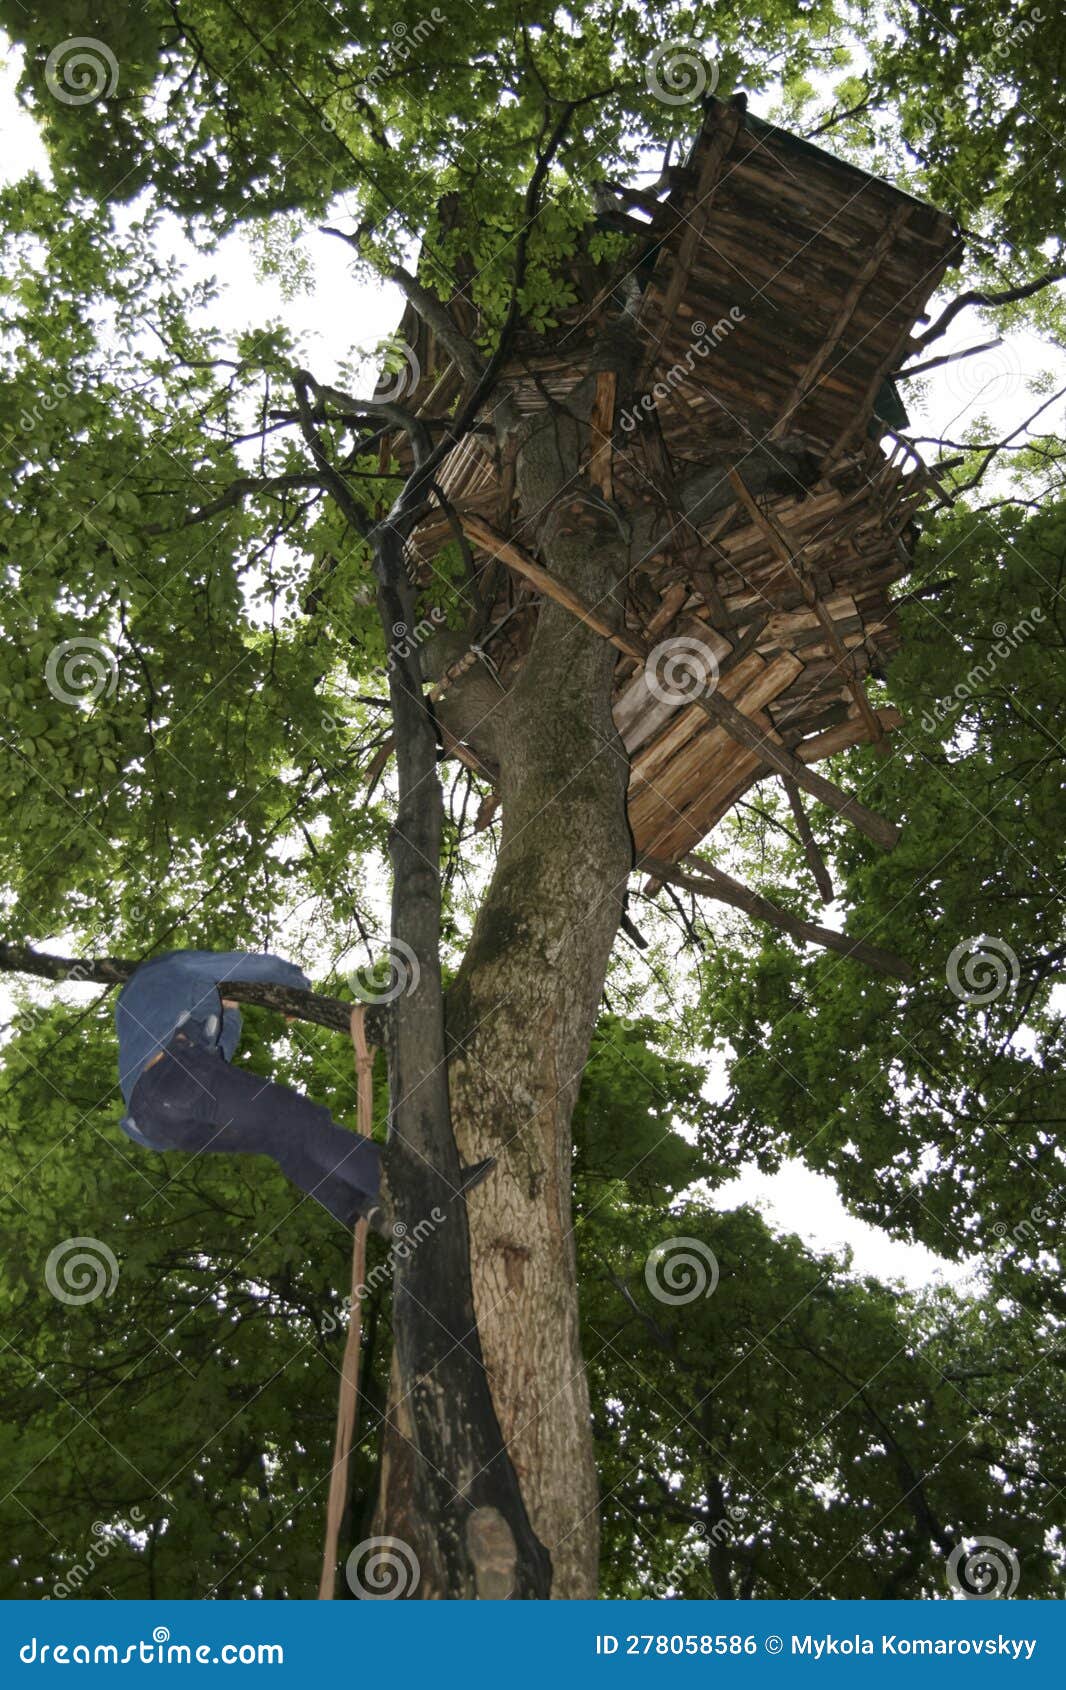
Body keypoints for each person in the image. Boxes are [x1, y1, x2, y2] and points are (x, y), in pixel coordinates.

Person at [115, 949, 383, 1231]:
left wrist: (229, 1012)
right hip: (174, 1074)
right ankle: (388, 1177)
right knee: (299, 1120)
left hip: (155, 1121)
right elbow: (253, 966)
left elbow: (213, 1067)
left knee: (278, 1139)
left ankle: (359, 1205)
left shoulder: (144, 1012)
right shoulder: (168, 966)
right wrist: (295, 986)